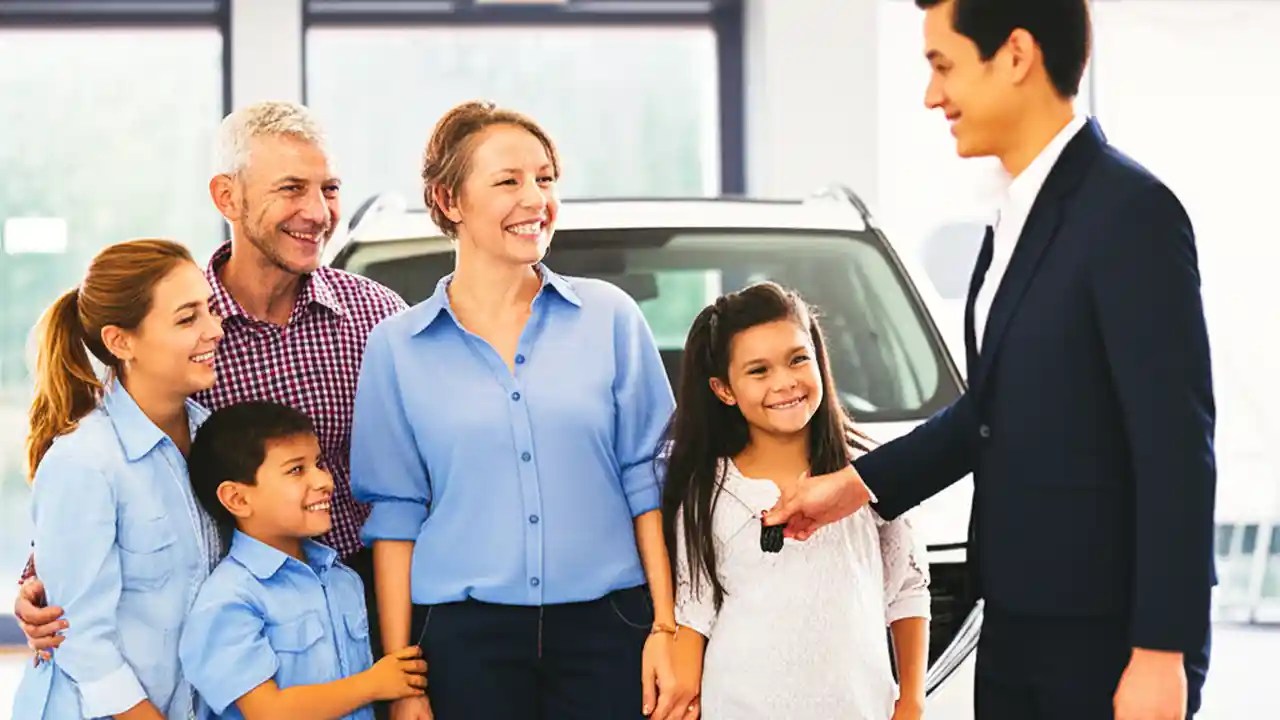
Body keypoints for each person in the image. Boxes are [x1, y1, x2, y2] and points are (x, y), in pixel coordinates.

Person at [765, 2, 1217, 719]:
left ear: (1015, 55)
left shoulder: (1130, 213)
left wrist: (1163, 650)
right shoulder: (1012, 216)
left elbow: (1177, 448)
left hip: (1103, 639)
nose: (932, 96)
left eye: (943, 66)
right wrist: (853, 486)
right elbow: (992, 410)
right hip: (1011, 622)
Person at [16, 101, 408, 672]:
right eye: (291, 189)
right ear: (227, 197)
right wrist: (41, 577)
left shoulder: (376, 315)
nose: (318, 211)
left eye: (329, 189)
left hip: (366, 595)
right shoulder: (177, 334)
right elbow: (122, 467)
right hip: (240, 617)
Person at [349, 100, 680, 720]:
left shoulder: (610, 317)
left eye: (545, 179)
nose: (536, 199)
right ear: (448, 199)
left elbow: (650, 482)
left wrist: (667, 627)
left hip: (611, 629)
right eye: (508, 181)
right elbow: (395, 516)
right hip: (462, 641)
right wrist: (404, 682)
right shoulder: (396, 347)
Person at [660, 282, 931, 720]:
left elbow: (909, 590)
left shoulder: (869, 474)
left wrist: (911, 701)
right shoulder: (708, 489)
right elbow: (695, 610)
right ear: (724, 389)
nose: (785, 382)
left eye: (798, 359)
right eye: (758, 371)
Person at [10, 239, 225, 720]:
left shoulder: (213, 437)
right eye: (187, 318)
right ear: (120, 342)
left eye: (209, 309)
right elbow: (84, 644)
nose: (214, 329)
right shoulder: (85, 462)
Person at [179, 401, 427, 720]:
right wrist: (372, 685)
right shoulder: (229, 600)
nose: (324, 481)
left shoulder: (342, 579)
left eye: (319, 464)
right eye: (296, 470)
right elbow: (268, 711)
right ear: (237, 499)